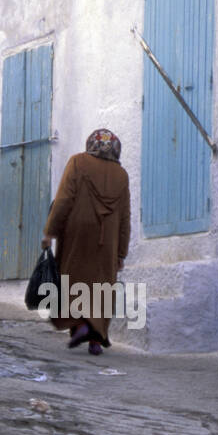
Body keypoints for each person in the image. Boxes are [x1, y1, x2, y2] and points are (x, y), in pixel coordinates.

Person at [41, 129, 131, 356]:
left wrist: (50, 232)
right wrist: (121, 253)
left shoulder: (77, 162)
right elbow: (124, 218)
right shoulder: (121, 175)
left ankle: (81, 324)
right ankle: (95, 339)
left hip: (76, 234)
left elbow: (63, 200)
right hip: (108, 240)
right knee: (102, 285)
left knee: (73, 279)